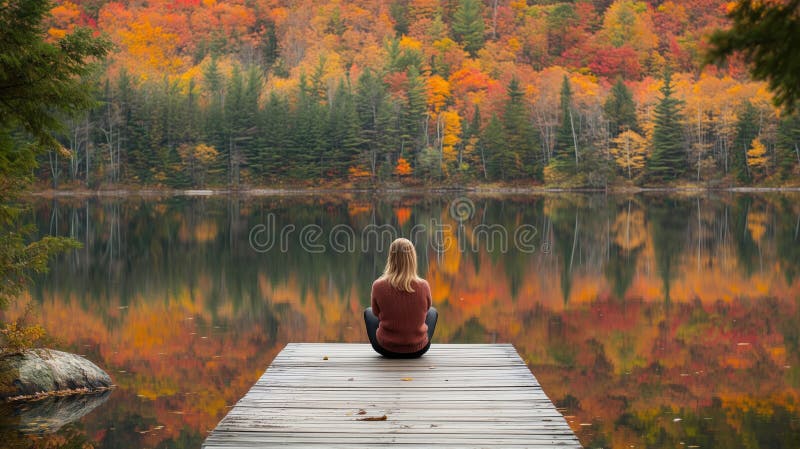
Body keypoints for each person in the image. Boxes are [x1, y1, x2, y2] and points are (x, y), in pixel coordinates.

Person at [364, 238, 438, 358]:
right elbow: (427, 309)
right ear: (412, 259)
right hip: (418, 349)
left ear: (391, 258)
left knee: (369, 312)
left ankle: (391, 338)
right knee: (432, 312)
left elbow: (376, 313)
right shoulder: (423, 286)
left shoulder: (378, 285)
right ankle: (417, 338)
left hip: (385, 349)